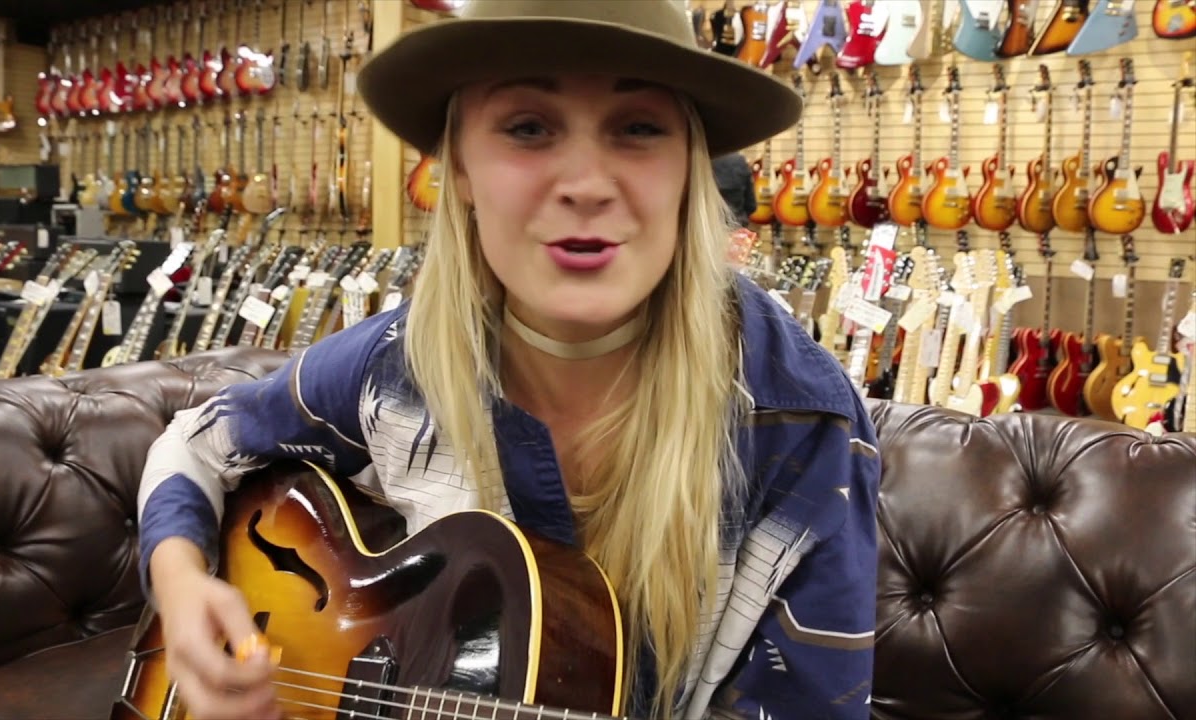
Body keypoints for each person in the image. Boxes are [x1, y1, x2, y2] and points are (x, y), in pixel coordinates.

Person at [136, 2, 881, 719]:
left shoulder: (799, 426)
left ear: (688, 166)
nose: (586, 184)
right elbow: (197, 443)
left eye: (639, 128)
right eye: (528, 127)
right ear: (458, 167)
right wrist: (180, 582)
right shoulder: (398, 365)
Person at [711, 151, 757, 228]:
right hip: (737, 226)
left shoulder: (704, 158)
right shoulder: (739, 160)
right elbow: (751, 205)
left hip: (709, 227)